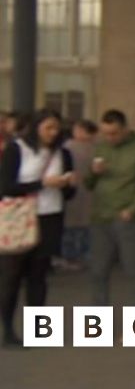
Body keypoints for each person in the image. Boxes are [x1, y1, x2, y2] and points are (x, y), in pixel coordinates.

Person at [0, 109, 74, 349]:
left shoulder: (63, 153)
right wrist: (41, 183)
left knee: (39, 276)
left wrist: (68, 184)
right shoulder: (17, 149)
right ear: (36, 127)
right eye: (48, 128)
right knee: (11, 275)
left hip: (50, 216)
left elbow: (69, 194)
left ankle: (39, 330)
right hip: (21, 217)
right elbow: (6, 186)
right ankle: (8, 330)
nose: (52, 133)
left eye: (56, 128)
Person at [85, 109, 135, 308]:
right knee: (98, 271)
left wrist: (134, 209)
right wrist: (93, 172)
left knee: (134, 270)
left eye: (114, 133)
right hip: (101, 216)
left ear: (125, 129)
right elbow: (88, 183)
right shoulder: (101, 149)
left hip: (127, 216)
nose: (110, 138)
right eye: (105, 133)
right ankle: (99, 324)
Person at [60, 119, 98, 270]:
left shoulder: (67, 147)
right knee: (85, 227)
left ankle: (70, 257)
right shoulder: (95, 148)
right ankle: (84, 255)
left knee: (70, 226)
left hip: (74, 190)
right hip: (87, 191)